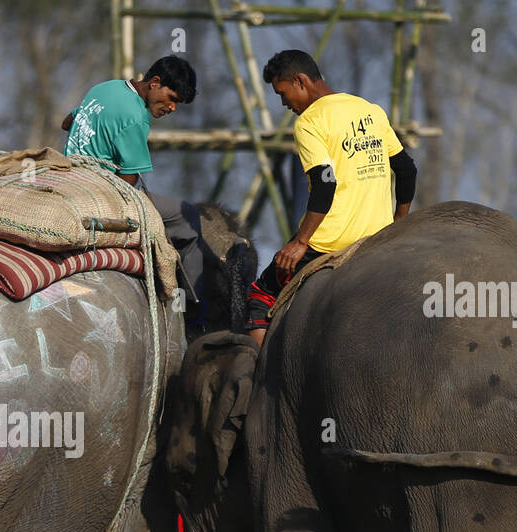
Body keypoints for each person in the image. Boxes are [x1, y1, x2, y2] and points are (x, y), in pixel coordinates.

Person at [241, 49, 418, 345]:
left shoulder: (310, 122)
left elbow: (325, 184)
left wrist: (300, 243)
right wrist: (397, 226)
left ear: (300, 81)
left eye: (282, 93)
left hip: (326, 243)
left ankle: (259, 384)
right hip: (376, 239)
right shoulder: (371, 110)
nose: (284, 104)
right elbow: (407, 170)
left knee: (259, 297)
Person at [60, 56, 210, 324]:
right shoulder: (137, 117)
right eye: (171, 98)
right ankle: (193, 315)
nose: (173, 108)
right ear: (154, 83)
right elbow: (128, 180)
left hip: (70, 176)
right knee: (186, 215)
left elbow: (66, 123)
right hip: (100, 188)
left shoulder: (105, 88)